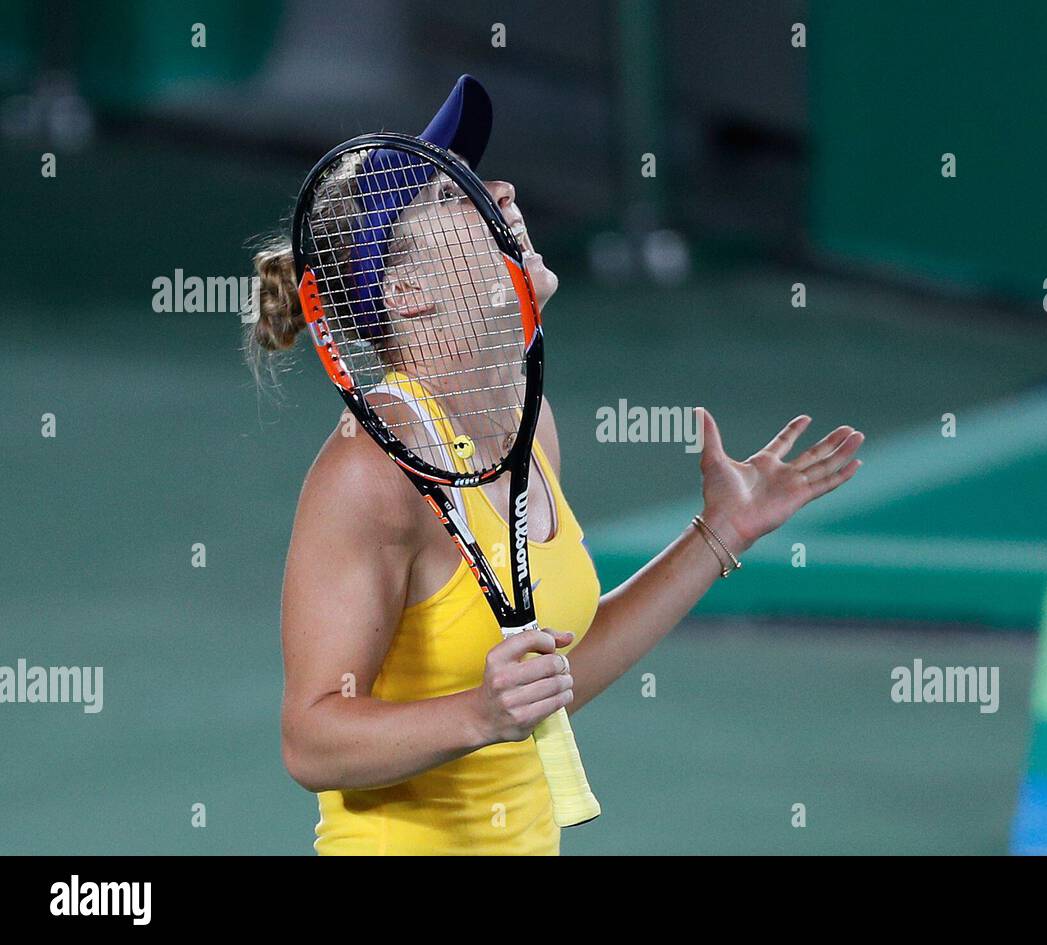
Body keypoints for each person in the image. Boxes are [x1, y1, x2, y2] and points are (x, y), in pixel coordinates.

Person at [247, 75, 863, 854]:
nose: (500, 189)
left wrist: (719, 534)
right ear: (405, 290)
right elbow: (310, 737)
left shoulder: (529, 422)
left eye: (483, 176)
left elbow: (557, 671)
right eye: (452, 194)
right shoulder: (370, 472)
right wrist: (478, 713)